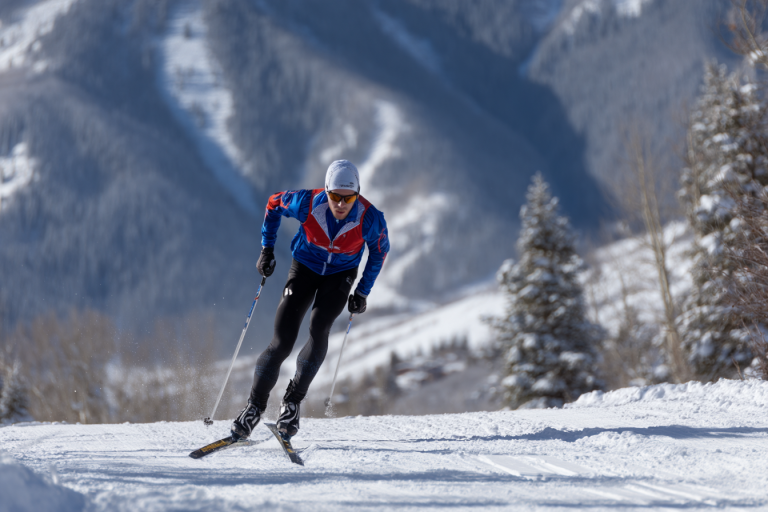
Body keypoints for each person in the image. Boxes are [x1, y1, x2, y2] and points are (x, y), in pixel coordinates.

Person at [231, 160, 389, 440]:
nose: (341, 204)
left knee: (319, 328)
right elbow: (273, 204)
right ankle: (254, 408)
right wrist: (266, 249)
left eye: (348, 198)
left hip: (340, 276)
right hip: (304, 267)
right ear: (326, 191)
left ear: (358, 194)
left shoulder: (370, 218)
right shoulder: (306, 202)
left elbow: (379, 252)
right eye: (335, 197)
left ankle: (291, 403)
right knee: (282, 341)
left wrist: (362, 291)